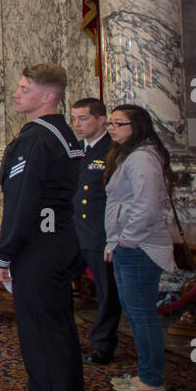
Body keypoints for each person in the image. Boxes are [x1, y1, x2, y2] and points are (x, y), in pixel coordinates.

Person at [0, 63, 87, 391]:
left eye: (24, 88)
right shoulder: (65, 133)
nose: (16, 94)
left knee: (44, 345)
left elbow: (23, 202)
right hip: (60, 247)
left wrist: (4, 251)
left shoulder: (36, 139)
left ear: (47, 96)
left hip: (36, 251)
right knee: (58, 340)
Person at [104, 104, 177, 391]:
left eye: (118, 124)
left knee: (142, 315)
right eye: (110, 122)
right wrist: (115, 241)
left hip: (140, 247)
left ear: (137, 127)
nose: (111, 128)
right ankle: (147, 374)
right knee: (136, 315)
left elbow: (144, 207)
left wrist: (126, 240)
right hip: (130, 244)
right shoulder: (131, 156)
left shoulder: (142, 159)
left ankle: (151, 380)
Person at [70, 97, 121, 365]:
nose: (77, 124)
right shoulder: (77, 151)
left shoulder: (113, 151)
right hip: (74, 232)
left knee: (106, 291)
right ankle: (65, 337)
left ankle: (103, 343)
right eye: (74, 118)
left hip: (100, 234)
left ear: (101, 120)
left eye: (83, 118)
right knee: (54, 280)